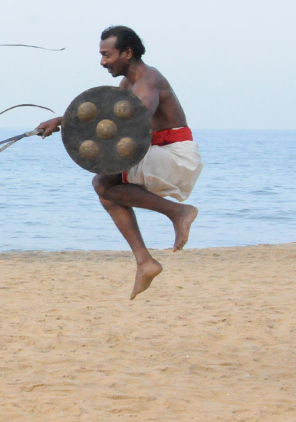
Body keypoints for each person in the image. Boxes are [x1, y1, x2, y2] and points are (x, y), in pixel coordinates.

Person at [37, 26, 202, 300]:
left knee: (103, 183)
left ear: (127, 53)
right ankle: (146, 261)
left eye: (107, 55)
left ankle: (178, 214)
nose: (102, 62)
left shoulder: (149, 82)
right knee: (104, 186)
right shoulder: (127, 85)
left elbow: (130, 124)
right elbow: (107, 121)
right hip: (158, 152)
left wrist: (64, 121)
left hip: (176, 156)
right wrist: (61, 122)